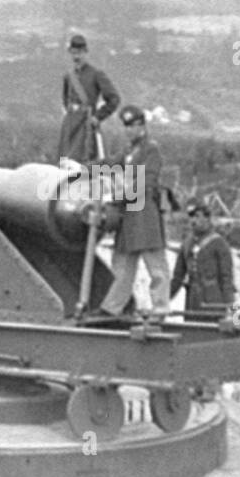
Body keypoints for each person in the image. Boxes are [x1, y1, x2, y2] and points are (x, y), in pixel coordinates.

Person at [97, 105, 170, 320]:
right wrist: (80, 168)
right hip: (128, 216)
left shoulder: (150, 150)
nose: (129, 130)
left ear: (143, 126)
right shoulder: (129, 152)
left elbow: (146, 182)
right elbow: (108, 164)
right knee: (122, 268)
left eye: (134, 125)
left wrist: (118, 194)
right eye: (126, 126)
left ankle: (160, 309)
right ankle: (112, 308)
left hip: (143, 214)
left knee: (156, 268)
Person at [57, 34, 120, 166]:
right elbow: (65, 99)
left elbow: (114, 99)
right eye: (73, 53)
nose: (76, 57)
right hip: (69, 126)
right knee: (64, 165)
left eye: (79, 53)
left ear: (86, 52)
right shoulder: (68, 76)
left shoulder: (96, 74)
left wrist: (97, 117)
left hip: (86, 126)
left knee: (86, 166)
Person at [170, 200, 236, 314]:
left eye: (197, 216)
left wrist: (238, 318)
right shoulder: (186, 244)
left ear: (207, 218)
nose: (193, 220)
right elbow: (177, 278)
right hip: (192, 302)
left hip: (214, 301)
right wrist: (160, 303)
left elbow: (227, 281)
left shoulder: (219, 244)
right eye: (191, 217)